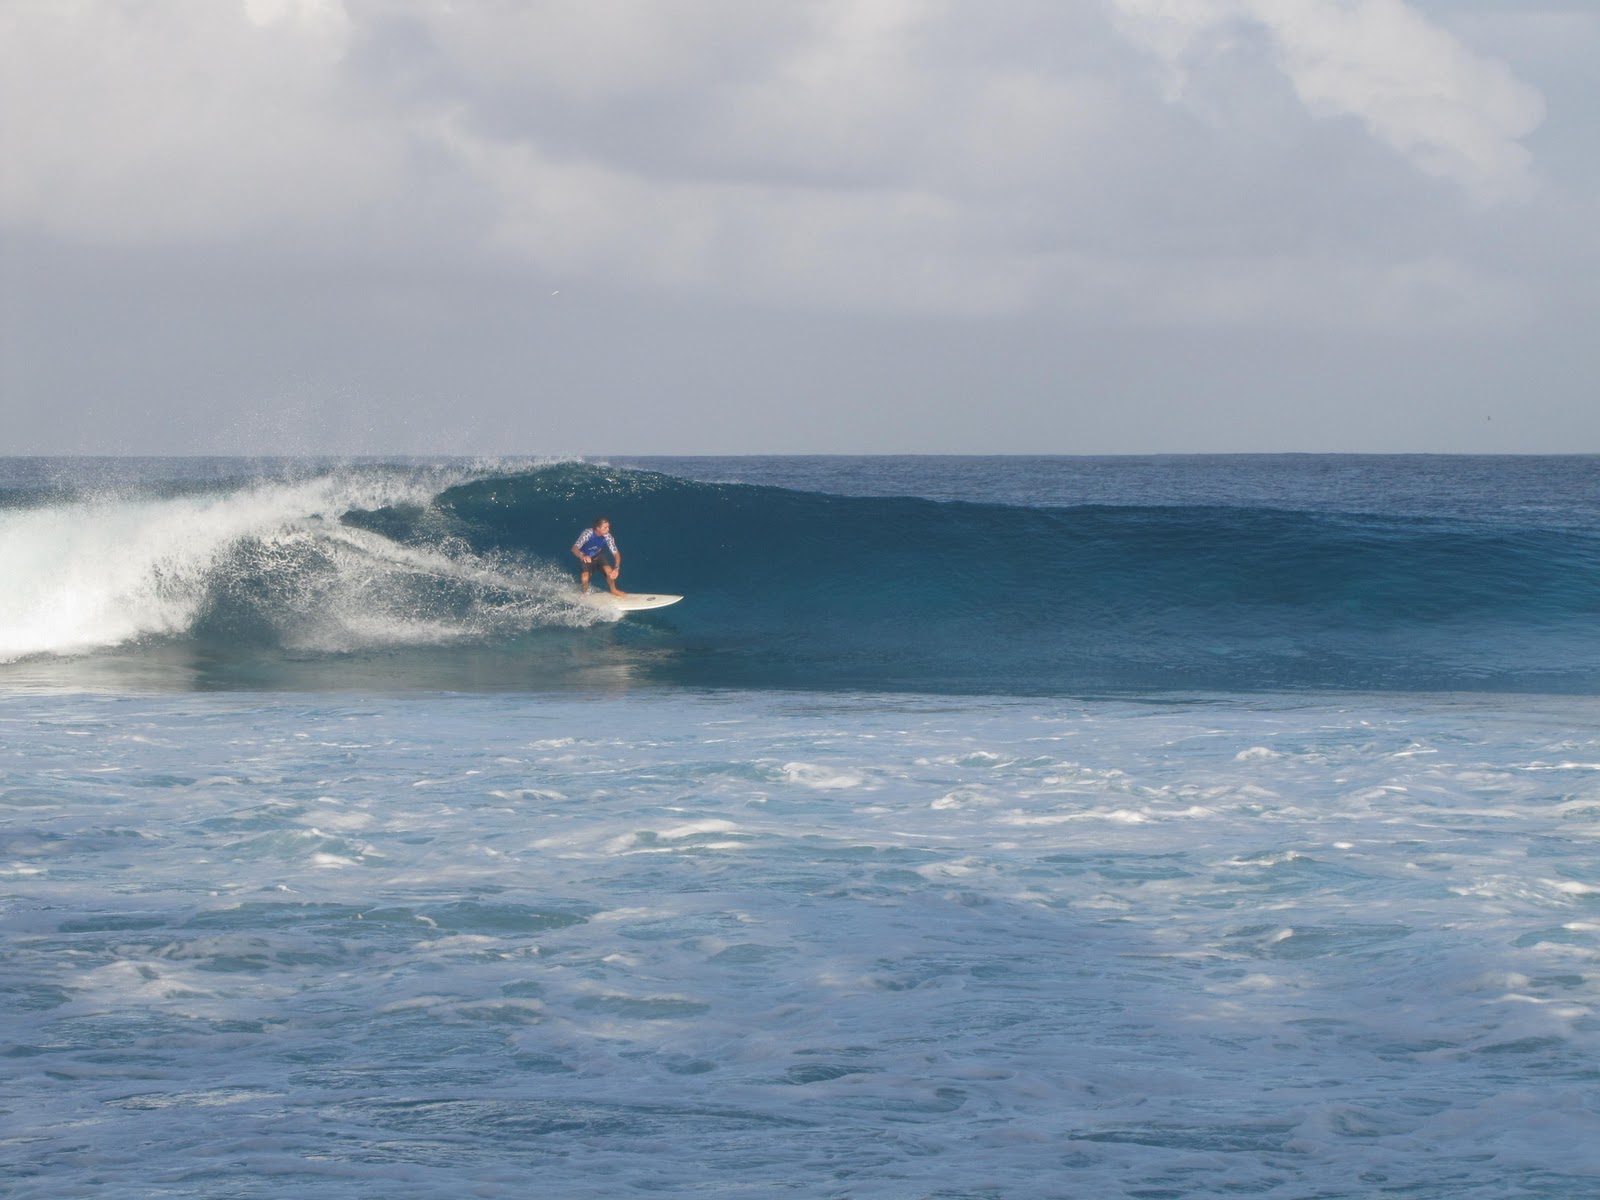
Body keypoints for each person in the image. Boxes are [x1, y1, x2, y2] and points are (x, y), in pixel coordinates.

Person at [572, 517, 626, 596]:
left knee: (610, 573)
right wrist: (582, 556)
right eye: (605, 527)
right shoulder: (588, 533)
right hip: (586, 557)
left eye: (608, 527)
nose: (608, 529)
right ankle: (583, 594)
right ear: (598, 528)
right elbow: (574, 549)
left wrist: (616, 568)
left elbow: (616, 554)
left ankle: (614, 590)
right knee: (584, 578)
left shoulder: (608, 537)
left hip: (599, 555)